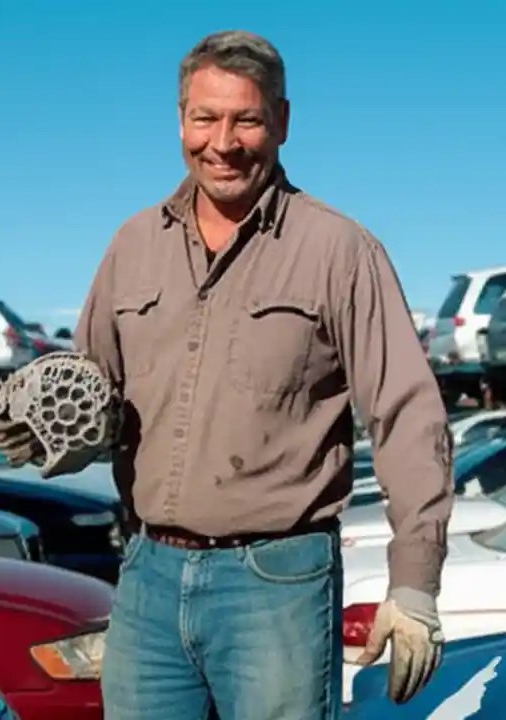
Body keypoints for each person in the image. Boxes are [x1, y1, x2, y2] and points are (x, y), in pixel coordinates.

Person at [73, 29, 454, 719]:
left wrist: (415, 584)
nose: (223, 143)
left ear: (281, 121)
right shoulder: (132, 246)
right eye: (205, 118)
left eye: (246, 119)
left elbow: (407, 413)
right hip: (148, 577)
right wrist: (42, 434)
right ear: (180, 120)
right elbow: (85, 397)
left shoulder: (338, 250)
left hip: (276, 586)